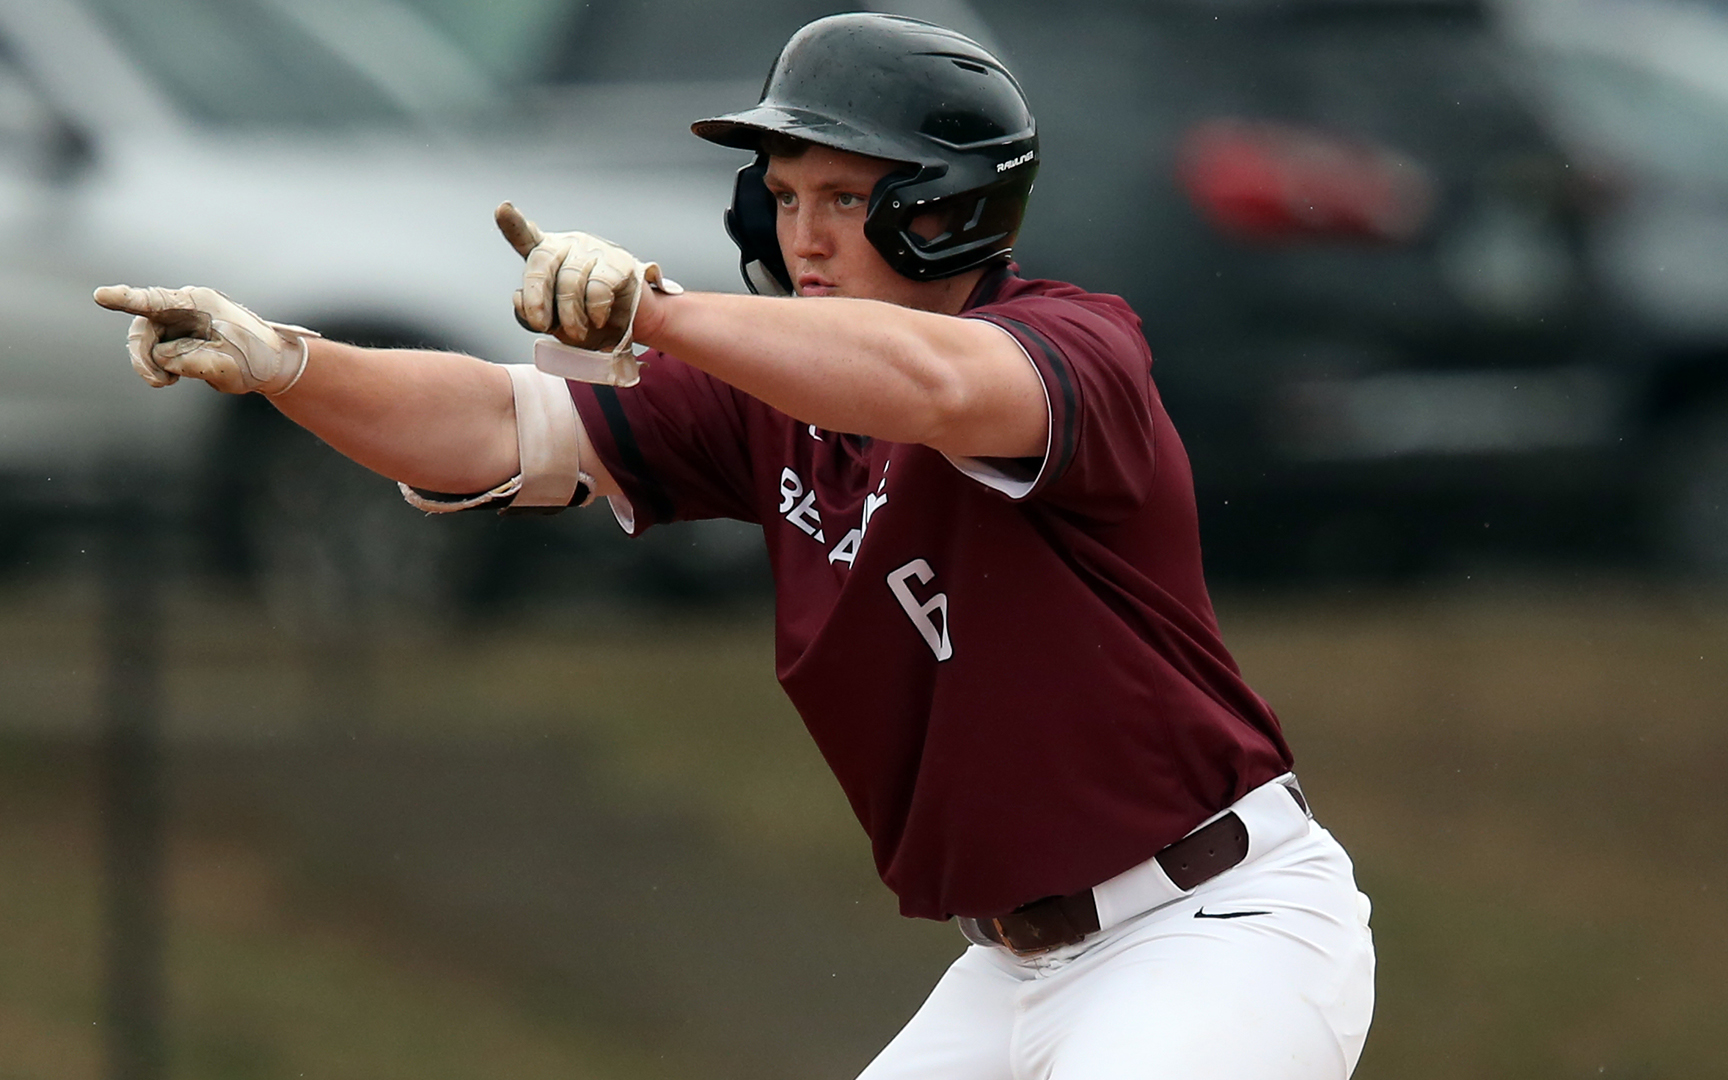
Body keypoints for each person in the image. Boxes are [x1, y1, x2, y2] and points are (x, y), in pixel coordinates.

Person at [94, 14, 1374, 1080]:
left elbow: (932, 383)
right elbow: (496, 424)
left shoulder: (1076, 347)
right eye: (786, 195)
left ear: (946, 213)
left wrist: (654, 310)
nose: (801, 234)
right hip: (1015, 970)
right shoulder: (768, 393)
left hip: (1215, 933)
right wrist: (293, 366)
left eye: (845, 198)